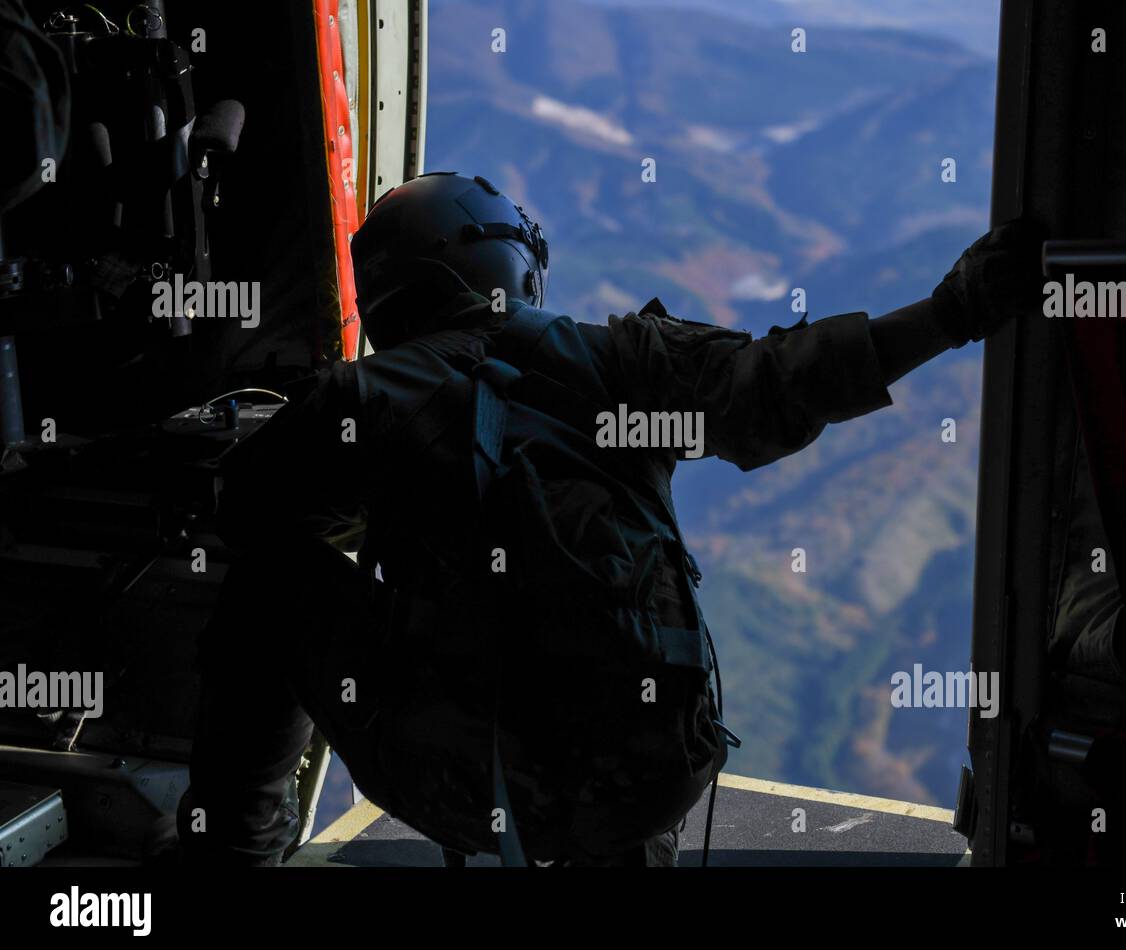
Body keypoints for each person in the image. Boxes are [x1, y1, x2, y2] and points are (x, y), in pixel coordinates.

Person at [177, 172, 1041, 867]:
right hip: (650, 777)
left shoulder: (359, 399)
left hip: (469, 783)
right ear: (512, 265)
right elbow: (783, 381)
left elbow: (245, 513)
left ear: (392, 293)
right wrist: (955, 309)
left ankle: (235, 852)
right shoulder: (624, 361)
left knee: (269, 588)